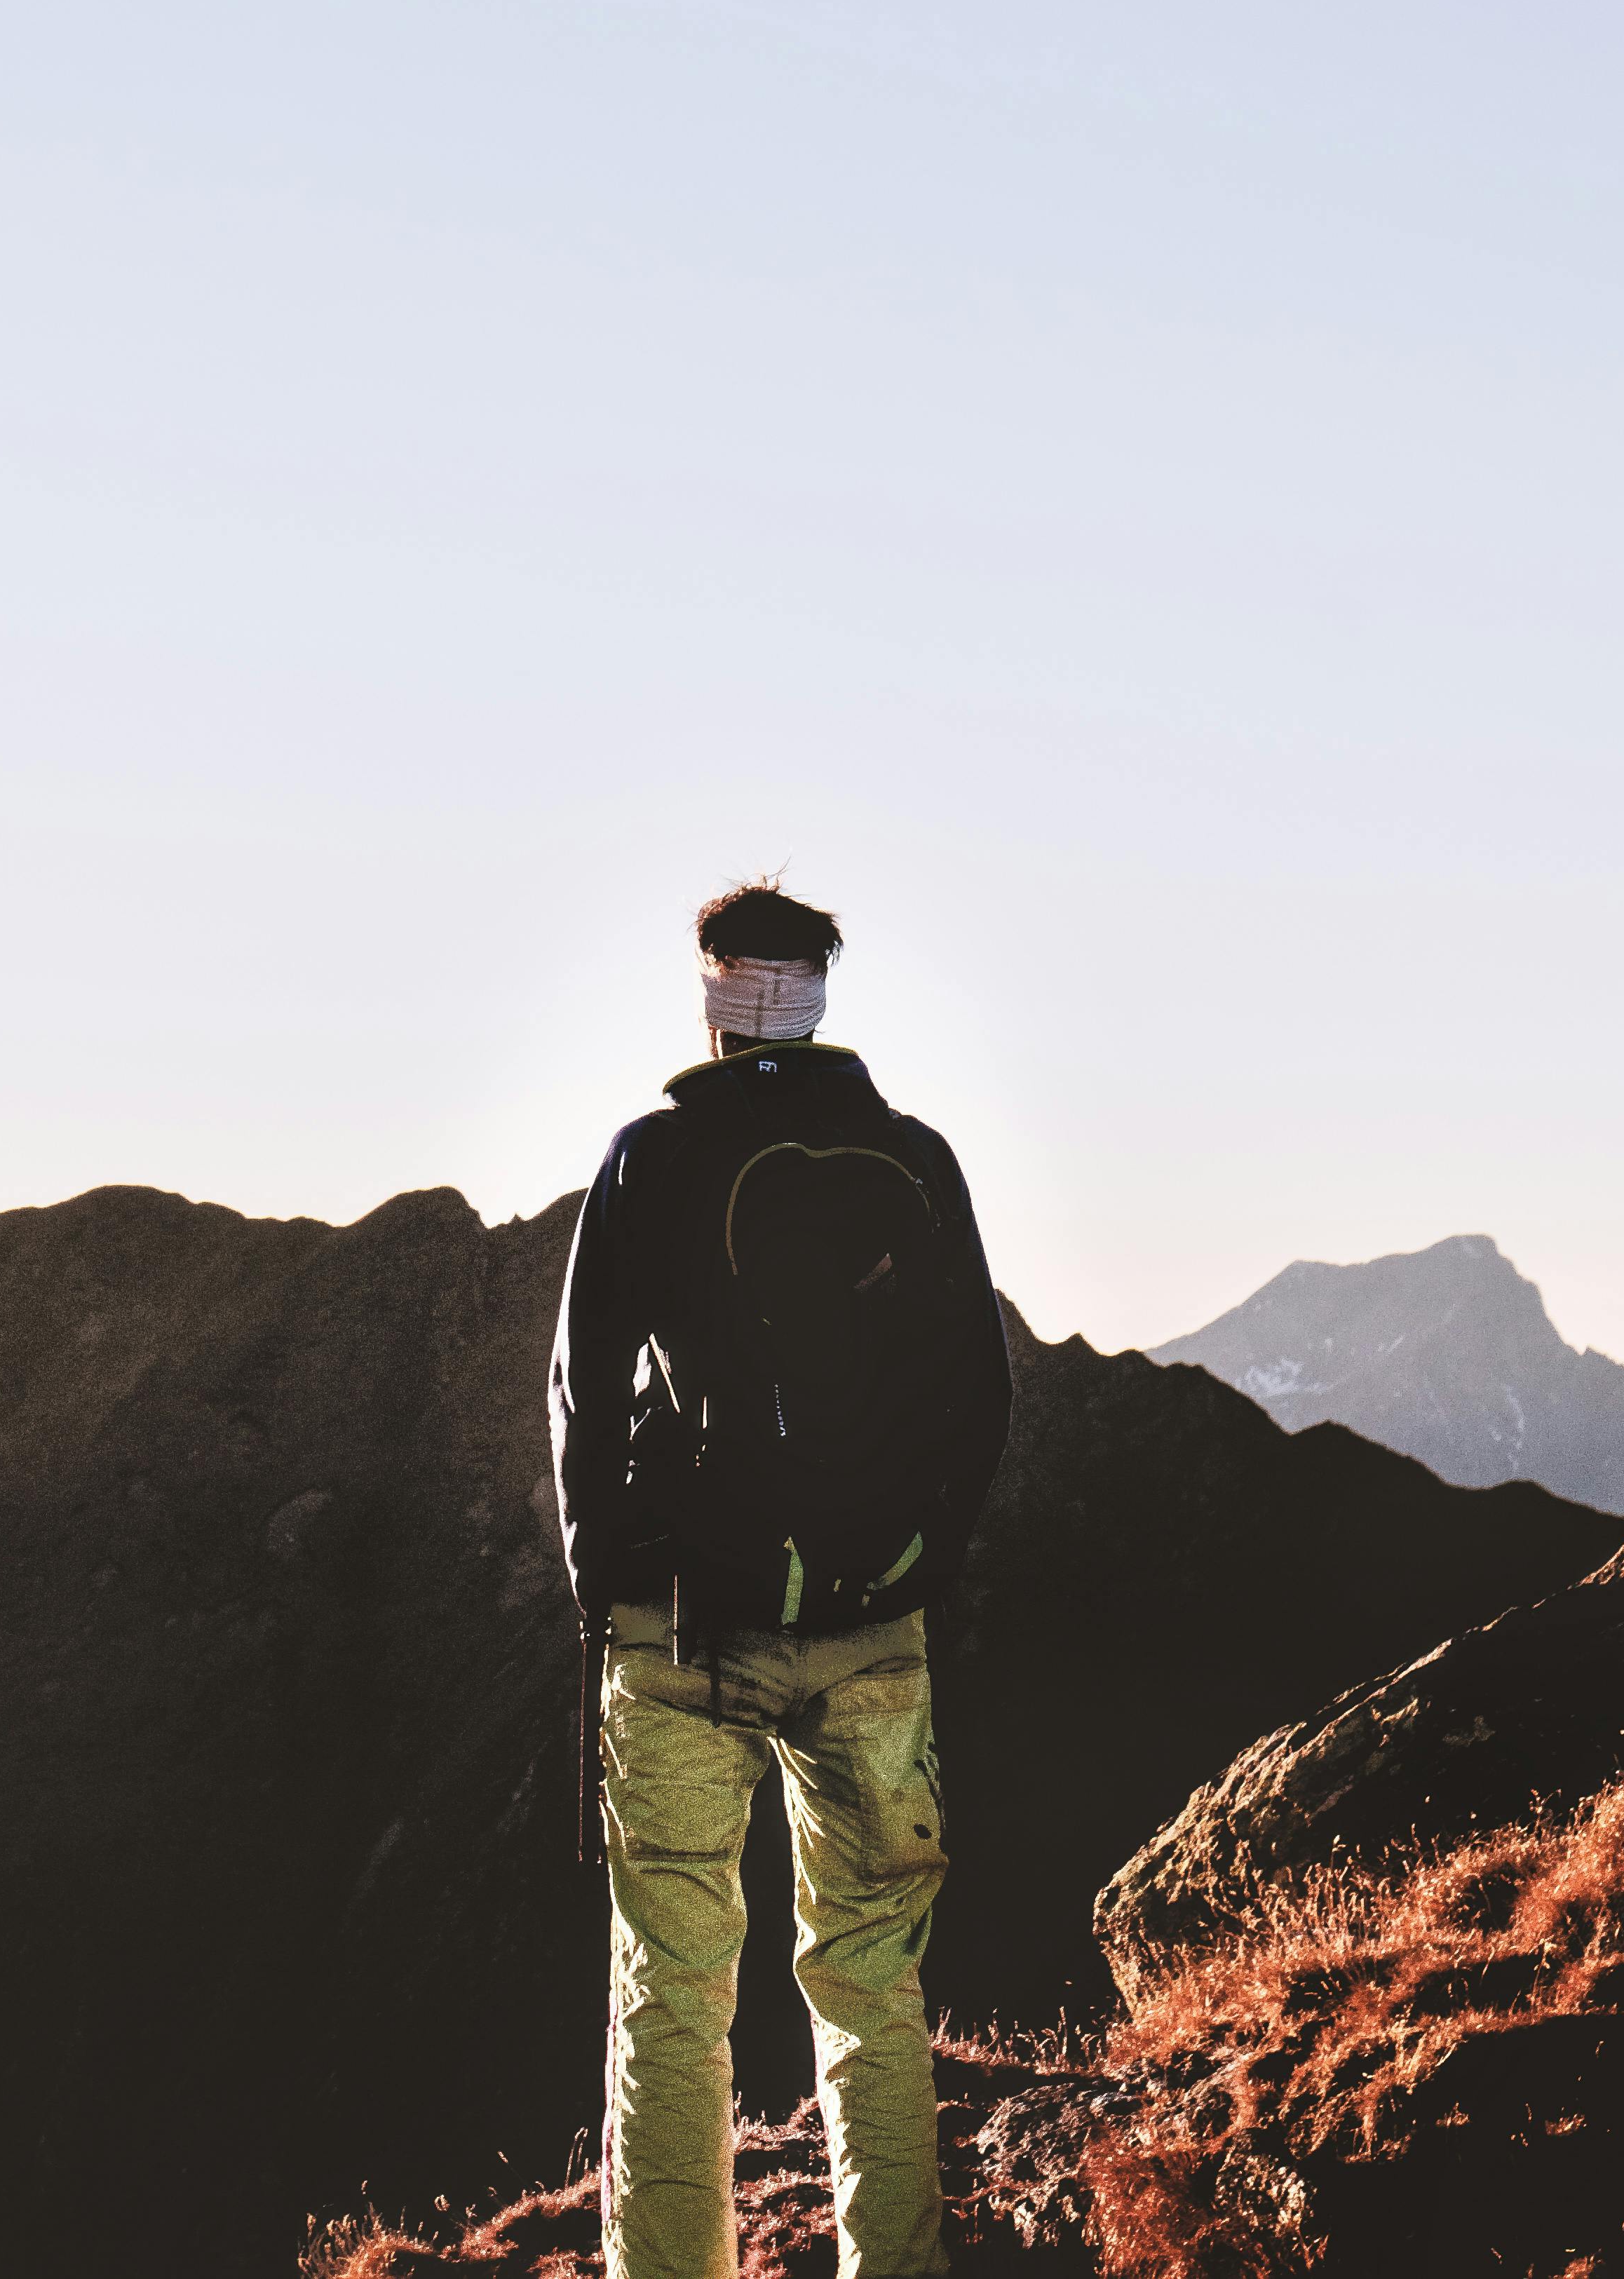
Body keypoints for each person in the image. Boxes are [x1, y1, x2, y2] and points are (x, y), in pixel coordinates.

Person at [547, 881, 1013, 2279]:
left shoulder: (654, 1157)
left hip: (686, 1624)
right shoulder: (913, 1157)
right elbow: (982, 1393)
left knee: (674, 1995)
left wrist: (601, 1583)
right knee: (872, 1985)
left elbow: (582, 1392)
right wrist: (916, 1559)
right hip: (875, 1626)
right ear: (816, 993)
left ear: (716, 993)